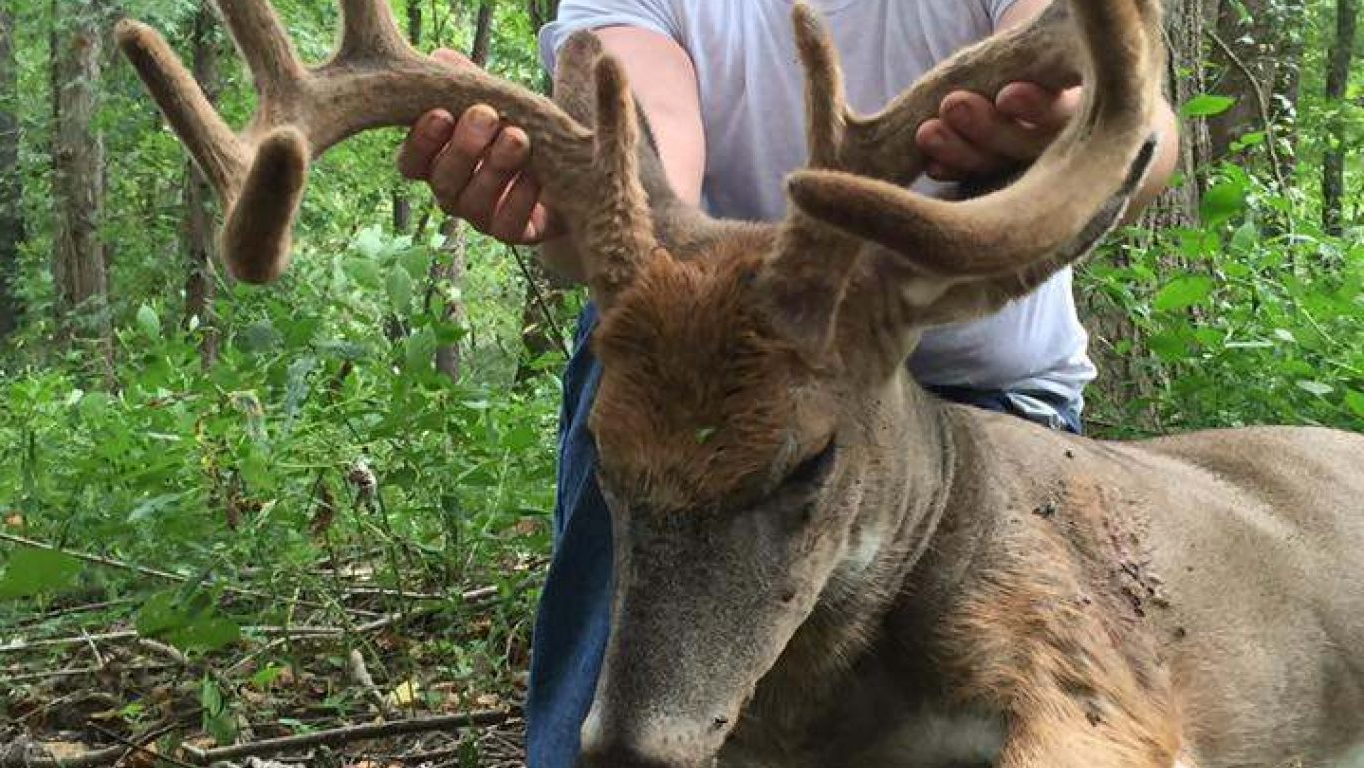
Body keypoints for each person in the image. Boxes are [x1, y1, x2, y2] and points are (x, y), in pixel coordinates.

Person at [396, 1, 1179, 765]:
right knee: (653, 360)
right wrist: (589, 200)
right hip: (716, 395)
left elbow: (1138, 117)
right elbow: (648, 140)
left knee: (1052, 704)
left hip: (992, 393)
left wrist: (1071, 117)